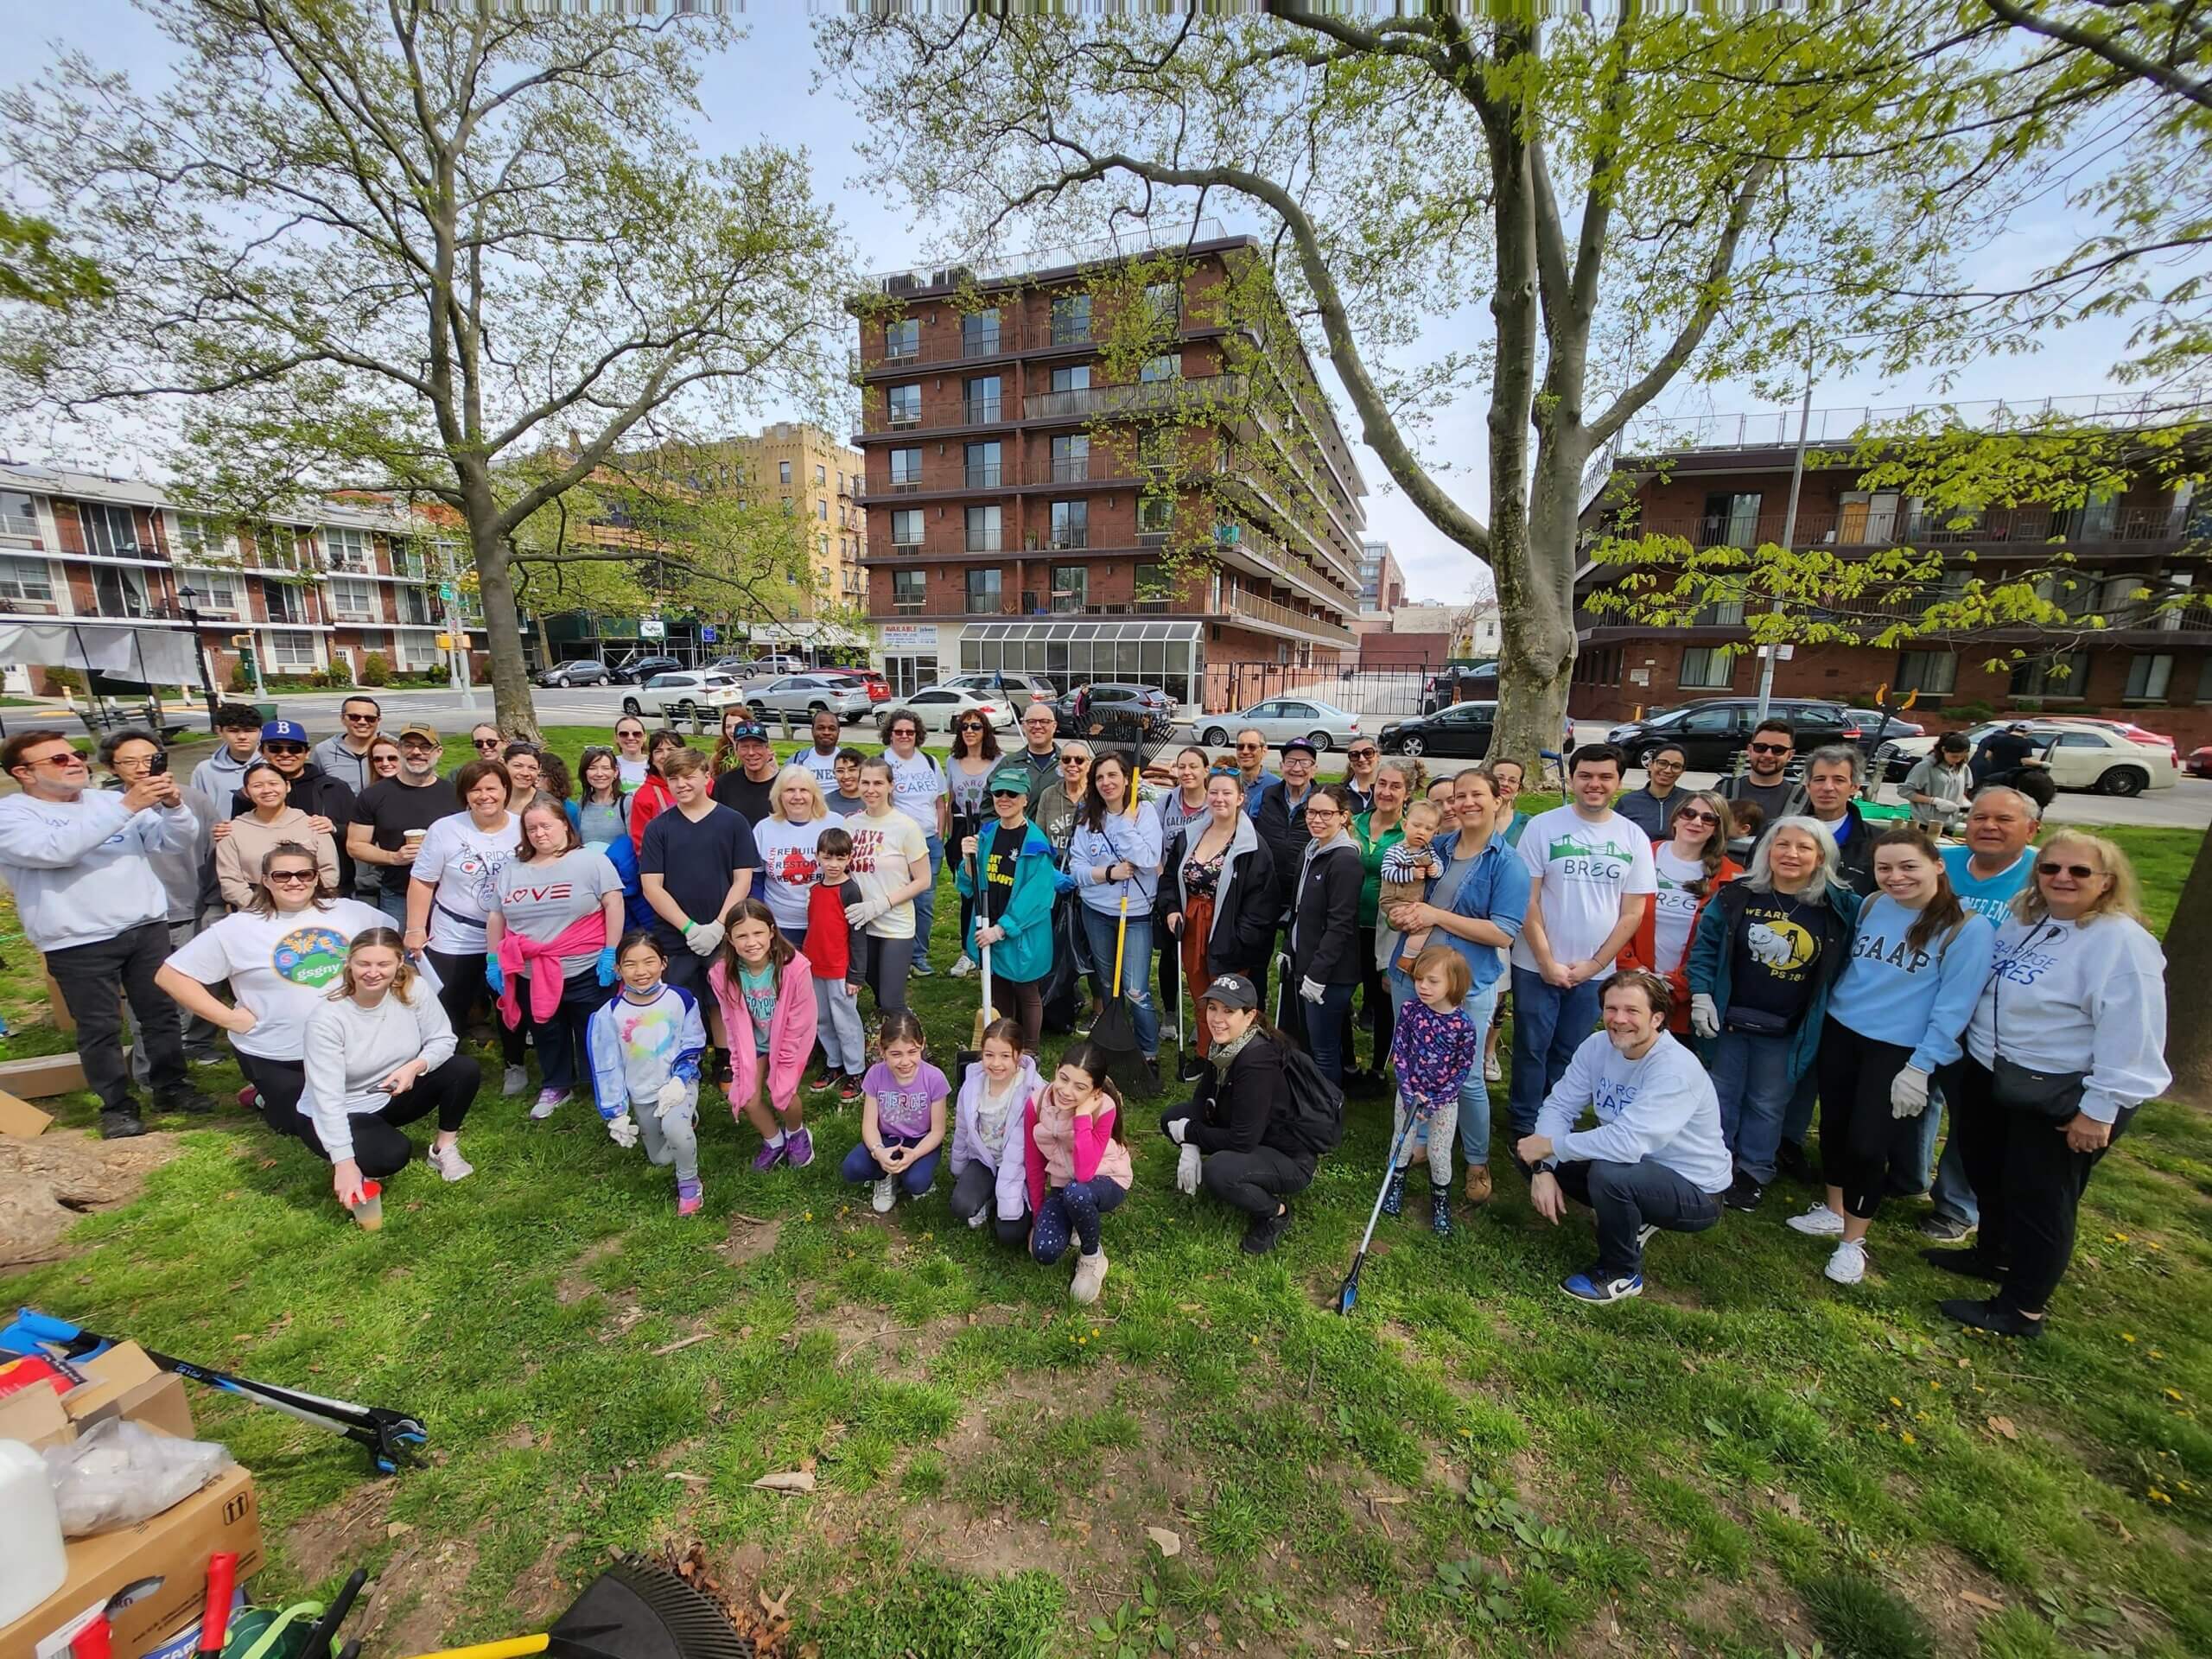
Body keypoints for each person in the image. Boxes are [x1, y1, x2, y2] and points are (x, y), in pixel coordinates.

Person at [1934, 831, 2169, 1338]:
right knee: (1989, 1172)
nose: (2062, 878)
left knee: (2041, 1196)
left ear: (2106, 883)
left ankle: (2022, 1309)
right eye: (2051, 868)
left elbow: (2133, 1034)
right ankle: (1992, 1255)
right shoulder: (2026, 920)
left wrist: (2100, 1108)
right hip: (1993, 1072)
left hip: (2063, 1090)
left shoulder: (2122, 944)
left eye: (2079, 872)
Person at [1789, 828, 1994, 1284]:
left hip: (1898, 1048)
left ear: (1938, 866)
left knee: (1868, 1144)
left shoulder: (1967, 928)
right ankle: (1834, 1208)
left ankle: (1853, 1241)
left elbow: (1955, 1007)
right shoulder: (1874, 905)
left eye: (1908, 867)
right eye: (1885, 868)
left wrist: (1921, 1067)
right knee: (1836, 1129)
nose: (1895, 877)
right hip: (1843, 1032)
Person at [0, 730, 213, 1136]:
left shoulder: (104, 801)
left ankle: (171, 1086)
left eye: (75, 754)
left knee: (161, 1015)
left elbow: (174, 841)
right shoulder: (13, 815)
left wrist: (173, 807)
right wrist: (128, 806)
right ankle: (117, 1105)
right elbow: (57, 851)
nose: (75, 762)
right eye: (58, 759)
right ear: (23, 773)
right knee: (99, 1028)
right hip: (77, 939)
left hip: (144, 926)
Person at [1516, 970, 1732, 1305]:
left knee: (1610, 1175)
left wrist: (1552, 1147)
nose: (1619, 1020)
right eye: (1611, 1009)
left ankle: (1621, 1273)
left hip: (1696, 1189)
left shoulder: (1675, 1068)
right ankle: (1633, 1217)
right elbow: (1559, 1106)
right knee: (1527, 1150)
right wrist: (1543, 1167)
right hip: (1634, 1165)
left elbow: (1627, 1144)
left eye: (1632, 1011)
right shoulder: (1597, 1045)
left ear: (1657, 1018)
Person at [1687, 817, 1861, 1211]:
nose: (1791, 854)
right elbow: (1705, 948)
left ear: (1821, 857)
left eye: (1804, 847)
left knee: (1768, 1101)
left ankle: (1753, 1170)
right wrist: (1701, 995)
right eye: (1782, 844)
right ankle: (1714, 1161)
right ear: (1767, 850)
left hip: (1789, 1026)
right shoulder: (1736, 896)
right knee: (1721, 1093)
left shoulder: (1840, 906)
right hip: (1728, 1017)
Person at [157, 842, 388, 1131]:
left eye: (304, 874)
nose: (295, 882)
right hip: (279, 1052)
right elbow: (171, 975)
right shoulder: (237, 928)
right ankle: (264, 1096)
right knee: (299, 1125)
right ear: (265, 880)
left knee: (372, 1109)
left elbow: (395, 949)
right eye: (283, 875)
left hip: (351, 1045)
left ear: (317, 877)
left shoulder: (353, 913)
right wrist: (229, 1019)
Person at [1381, 768, 1529, 1205]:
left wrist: (1436, 916)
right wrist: (1400, 915)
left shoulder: (1507, 864)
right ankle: (1421, 1140)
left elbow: (1503, 932)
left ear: (1498, 798)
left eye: (1476, 795)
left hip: (1467, 987)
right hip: (1412, 974)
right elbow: (1401, 895)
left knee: (1465, 1080)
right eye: (1458, 796)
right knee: (1412, 1062)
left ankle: (1478, 1162)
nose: (1465, 803)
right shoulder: (1437, 846)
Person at [1912, 784, 2046, 1243]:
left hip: (1992, 1017)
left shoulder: (2043, 873)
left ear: (2032, 828)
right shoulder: (1942, 865)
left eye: (2003, 820)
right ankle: (1908, 1176)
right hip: (1925, 1003)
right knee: (1914, 1094)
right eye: (1979, 817)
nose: (1988, 826)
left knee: (1972, 1113)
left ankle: (1955, 1206)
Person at [1509, 745, 1657, 1139]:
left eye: (1605, 777)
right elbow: (1528, 899)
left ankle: (1556, 1118)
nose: (1595, 784)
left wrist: (1594, 965)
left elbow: (1632, 913)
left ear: (1619, 783)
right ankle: (1524, 1121)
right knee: (1532, 1047)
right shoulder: (1543, 827)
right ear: (1571, 779)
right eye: (1586, 776)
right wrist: (1545, 960)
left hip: (1595, 972)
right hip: (1535, 964)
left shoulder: (1633, 838)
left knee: (1571, 1051)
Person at [303, 926, 481, 1212]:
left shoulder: (414, 989)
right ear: (349, 963)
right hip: (342, 1109)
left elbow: (444, 1040)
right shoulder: (327, 1019)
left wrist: (416, 1066)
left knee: (463, 1069)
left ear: (399, 962)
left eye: (383, 964)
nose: (373, 972)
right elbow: (327, 1099)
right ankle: (358, 1157)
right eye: (364, 963)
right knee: (390, 1155)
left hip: (392, 1090)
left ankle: (443, 1149)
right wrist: (345, 1163)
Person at [486, 792, 623, 1118]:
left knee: (594, 1029)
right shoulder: (512, 870)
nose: (539, 834)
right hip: (531, 971)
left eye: (546, 826)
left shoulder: (590, 861)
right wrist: (493, 960)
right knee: (547, 1030)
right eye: (531, 829)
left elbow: (614, 903)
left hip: (586, 966)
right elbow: (496, 917)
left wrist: (610, 952)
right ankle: (556, 1084)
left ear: (564, 825)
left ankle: (604, 1085)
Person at [97, 729, 222, 1068]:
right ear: (112, 767)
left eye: (149, 759)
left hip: (189, 904)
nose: (142, 767)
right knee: (148, 996)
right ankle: (154, 1064)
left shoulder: (193, 799)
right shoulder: (103, 807)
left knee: (200, 981)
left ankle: (197, 1042)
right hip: (135, 918)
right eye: (130, 761)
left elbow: (215, 850)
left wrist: (214, 901)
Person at [1160, 973, 1311, 1254]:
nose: (1216, 1018)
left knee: (1218, 1171)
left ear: (1250, 1015)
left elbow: (1243, 1140)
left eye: (1228, 1011)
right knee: (1171, 1118)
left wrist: (1191, 1133)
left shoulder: (1257, 1060)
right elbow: (1202, 1095)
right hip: (1250, 1130)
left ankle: (1275, 1212)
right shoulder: (1224, 1041)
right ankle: (1234, 1169)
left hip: (1287, 1156)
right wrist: (1190, 1144)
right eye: (1213, 1007)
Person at [404, 757, 528, 1094]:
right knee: (447, 1002)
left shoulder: (523, 826)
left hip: (507, 934)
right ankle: (441, 1064)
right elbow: (422, 881)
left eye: (492, 788)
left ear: (506, 790)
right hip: (454, 932)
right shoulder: (445, 829)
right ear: (464, 794)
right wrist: (416, 928)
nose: (484, 796)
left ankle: (514, 1064)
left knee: (508, 1001)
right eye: (475, 790)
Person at [639, 747, 760, 1040]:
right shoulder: (659, 828)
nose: (681, 785)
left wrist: (720, 926)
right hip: (676, 933)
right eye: (673, 779)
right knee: (678, 999)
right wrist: (689, 927)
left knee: (723, 999)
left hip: (723, 930)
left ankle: (724, 1057)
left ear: (707, 777)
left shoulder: (733, 822)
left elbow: (742, 879)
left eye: (689, 777)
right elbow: (652, 885)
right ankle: (684, 1057)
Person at [999, 1040, 1132, 1304]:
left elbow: (1084, 1173)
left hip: (1106, 1178)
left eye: (1080, 1087)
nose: (1067, 1091)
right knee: (1044, 1251)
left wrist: (1082, 1116)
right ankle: (1074, 1219)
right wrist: (1038, 1220)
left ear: (1095, 1091)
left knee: (1078, 1192)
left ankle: (1092, 1257)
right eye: (1064, 1079)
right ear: (1056, 1070)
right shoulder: (1036, 1105)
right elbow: (1035, 1166)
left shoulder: (1105, 1108)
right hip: (1064, 1185)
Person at [588, 930, 709, 1216]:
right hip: (642, 1094)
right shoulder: (608, 1014)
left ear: (664, 963)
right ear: (617, 969)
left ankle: (689, 1184)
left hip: (679, 1085)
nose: (641, 971)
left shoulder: (681, 999)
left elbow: (693, 1043)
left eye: (649, 961)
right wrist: (615, 1112)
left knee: (675, 1130)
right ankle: (684, 1124)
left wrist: (680, 1079)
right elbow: (607, 1066)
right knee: (660, 1158)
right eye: (630, 964)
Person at [1158, 768, 1278, 1058]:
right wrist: (1172, 909)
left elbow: (1261, 905)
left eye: (1227, 793)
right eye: (1214, 792)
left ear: (1241, 798)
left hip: (1229, 934)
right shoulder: (1190, 836)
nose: (1219, 799)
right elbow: (1170, 879)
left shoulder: (1253, 848)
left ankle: (1236, 1059)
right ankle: (1205, 1055)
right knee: (1203, 999)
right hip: (1191, 929)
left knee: (1228, 1002)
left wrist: (1238, 941)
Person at [1067, 749, 1165, 1082]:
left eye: (1113, 776)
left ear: (1127, 779)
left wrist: (1124, 824)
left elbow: (1150, 859)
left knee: (1136, 989)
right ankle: (1115, 1047)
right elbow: (1076, 869)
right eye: (1100, 777)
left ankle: (1149, 1054)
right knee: (1109, 986)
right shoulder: (1088, 817)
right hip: (1098, 912)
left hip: (1134, 914)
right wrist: (1108, 873)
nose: (1106, 782)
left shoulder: (1145, 813)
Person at [709, 897, 819, 1171]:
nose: (751, 942)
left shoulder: (795, 968)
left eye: (758, 932)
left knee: (782, 1093)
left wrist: (782, 1062)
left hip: (789, 1040)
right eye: (742, 935)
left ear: (771, 931)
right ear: (730, 940)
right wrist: (738, 1059)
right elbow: (730, 1020)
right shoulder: (723, 974)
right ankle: (774, 1140)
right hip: (753, 1041)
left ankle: (796, 1132)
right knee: (746, 1096)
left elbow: (801, 1020)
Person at [955, 765, 1058, 1052]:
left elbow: (1036, 899)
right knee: (997, 989)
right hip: (989, 925)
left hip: (1020, 934)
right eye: (998, 792)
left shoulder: (1036, 844)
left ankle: (1031, 1049)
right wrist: (967, 859)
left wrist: (1001, 930)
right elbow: (967, 885)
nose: (1004, 798)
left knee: (1026, 991)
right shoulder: (986, 835)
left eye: (1012, 793)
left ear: (1025, 799)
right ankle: (1005, 1046)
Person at [1617, 790, 1740, 1031]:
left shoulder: (1731, 877)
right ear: (1675, 818)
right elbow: (1614, 916)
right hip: (1631, 987)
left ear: (1717, 828)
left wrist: (1677, 982)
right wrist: (1635, 973)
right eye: (1689, 813)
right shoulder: (1641, 855)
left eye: (1708, 818)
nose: (1696, 822)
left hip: (1686, 995)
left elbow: (1718, 944)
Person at [1383, 946, 1482, 1236]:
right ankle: (1395, 1188)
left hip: (1443, 1103)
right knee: (1401, 1143)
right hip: (1409, 1095)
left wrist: (1435, 1102)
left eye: (1433, 981)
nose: (1423, 986)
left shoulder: (1463, 1025)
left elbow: (1461, 1069)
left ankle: (1440, 1203)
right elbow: (1399, 1052)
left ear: (1455, 983)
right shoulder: (1411, 1011)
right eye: (1419, 979)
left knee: (1440, 1154)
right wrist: (1408, 1089)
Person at [1286, 785, 1363, 1084]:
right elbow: (1300, 908)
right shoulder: (1311, 851)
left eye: (1326, 813)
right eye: (1311, 812)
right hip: (1305, 962)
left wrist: (1317, 974)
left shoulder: (1344, 861)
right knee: (1314, 1043)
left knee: (1324, 1049)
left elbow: (1340, 924)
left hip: (1329, 974)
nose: (1316, 819)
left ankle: (1327, 1112)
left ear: (1343, 817)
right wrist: (1290, 948)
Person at [847, 754, 934, 1014]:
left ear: (890, 786)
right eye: (865, 783)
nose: (871, 790)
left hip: (895, 924)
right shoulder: (850, 825)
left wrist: (881, 904)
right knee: (875, 989)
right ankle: (886, 1043)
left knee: (891, 1000)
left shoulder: (906, 827)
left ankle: (915, 1047)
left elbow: (923, 879)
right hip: (861, 923)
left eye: (878, 783)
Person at [1348, 759, 1415, 1082]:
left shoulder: (1411, 833)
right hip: (1347, 924)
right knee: (1342, 993)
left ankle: (1378, 1068)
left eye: (1395, 786)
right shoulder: (1353, 822)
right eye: (1382, 784)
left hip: (1386, 931)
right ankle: (1345, 1061)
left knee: (1383, 998)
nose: (1386, 792)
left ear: (1407, 792)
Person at [844, 1009, 950, 1211]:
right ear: (882, 1051)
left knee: (917, 1183)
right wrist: (878, 1151)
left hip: (921, 1140)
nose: (905, 1062)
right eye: (895, 1054)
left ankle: (908, 1172)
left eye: (912, 1052)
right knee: (852, 1168)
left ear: (923, 1045)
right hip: (887, 1139)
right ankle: (884, 1176)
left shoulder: (935, 1078)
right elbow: (869, 1124)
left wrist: (916, 1154)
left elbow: (937, 1131)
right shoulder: (875, 1075)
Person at [345, 721, 448, 923]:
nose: (416, 752)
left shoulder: (454, 794)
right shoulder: (374, 795)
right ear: (400, 749)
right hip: (398, 894)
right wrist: (394, 857)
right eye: (409, 745)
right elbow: (355, 845)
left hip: (448, 895)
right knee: (398, 952)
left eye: (425, 747)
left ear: (438, 752)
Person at [949, 1016, 1040, 1243]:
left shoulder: (1034, 1091)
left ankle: (1002, 1198)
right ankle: (988, 1197)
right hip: (984, 1160)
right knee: (961, 1206)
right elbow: (962, 1131)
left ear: (1019, 1056)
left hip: (1018, 1167)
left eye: (1005, 1056)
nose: (996, 1063)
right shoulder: (971, 1087)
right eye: (989, 1055)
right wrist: (959, 1170)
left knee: (1011, 1235)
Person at [243, 721, 358, 897]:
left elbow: (360, 833)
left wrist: (335, 828)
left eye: (294, 749)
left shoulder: (333, 787)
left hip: (328, 890)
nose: (285, 754)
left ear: (307, 752)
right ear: (262, 751)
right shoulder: (252, 793)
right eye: (275, 749)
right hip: (269, 893)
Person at [216, 759, 340, 909]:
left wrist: (304, 903)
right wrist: (260, 907)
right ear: (246, 792)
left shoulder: (313, 825)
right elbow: (230, 880)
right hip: (255, 910)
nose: (267, 790)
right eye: (257, 786)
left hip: (309, 907)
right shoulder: (232, 830)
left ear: (287, 786)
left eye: (273, 784)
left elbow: (329, 872)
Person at [881, 709, 949, 975]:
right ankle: (895, 956)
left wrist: (940, 835)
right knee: (894, 899)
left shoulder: (930, 762)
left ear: (917, 734)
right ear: (890, 734)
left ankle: (918, 956)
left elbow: (940, 803)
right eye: (899, 731)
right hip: (894, 845)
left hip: (929, 843)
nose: (905, 736)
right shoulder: (881, 762)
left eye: (910, 731)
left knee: (925, 902)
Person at [805, 825, 868, 1097]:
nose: (833, 864)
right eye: (828, 857)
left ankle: (856, 1070)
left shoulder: (850, 890)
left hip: (840, 970)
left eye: (840, 858)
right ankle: (835, 1063)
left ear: (849, 858)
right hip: (815, 967)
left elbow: (857, 936)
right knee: (822, 1018)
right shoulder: (815, 890)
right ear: (818, 856)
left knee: (845, 1020)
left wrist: (856, 975)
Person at [944, 710, 1001, 978]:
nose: (969, 731)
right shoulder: (953, 762)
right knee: (967, 892)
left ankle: (992, 942)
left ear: (985, 730)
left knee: (991, 888)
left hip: (988, 829)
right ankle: (967, 951)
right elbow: (949, 800)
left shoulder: (998, 761)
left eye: (975, 726)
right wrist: (947, 836)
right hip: (960, 831)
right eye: (964, 726)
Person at [750, 765, 831, 950]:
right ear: (779, 795)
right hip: (780, 925)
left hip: (824, 922)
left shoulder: (835, 823)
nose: (797, 796)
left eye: (804, 790)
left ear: (814, 794)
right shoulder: (764, 828)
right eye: (789, 790)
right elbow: (756, 880)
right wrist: (760, 919)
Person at [1791, 746, 1878, 896]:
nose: (1828, 787)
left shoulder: (1877, 843)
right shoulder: (1779, 835)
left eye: (1839, 780)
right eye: (1820, 779)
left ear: (1854, 787)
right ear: (1807, 786)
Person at [1375, 798, 1445, 980]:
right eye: (1416, 826)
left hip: (1414, 900)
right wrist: (1411, 874)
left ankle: (1408, 956)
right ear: (1405, 825)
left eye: (1428, 829)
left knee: (1422, 926)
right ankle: (1402, 960)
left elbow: (1439, 867)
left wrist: (1435, 870)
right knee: (1417, 926)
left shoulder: (1428, 851)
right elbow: (1387, 872)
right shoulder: (1396, 850)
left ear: (1435, 832)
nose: (1421, 832)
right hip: (1394, 899)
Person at [1717, 718, 1796, 825]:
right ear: (1750, 750)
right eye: (1760, 747)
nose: (1768, 755)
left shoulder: (1803, 799)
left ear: (1790, 755)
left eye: (1778, 750)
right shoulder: (1722, 792)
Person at [191, 702, 266, 814]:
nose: (242, 737)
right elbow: (198, 811)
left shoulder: (272, 764)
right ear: (219, 731)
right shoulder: (205, 770)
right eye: (233, 731)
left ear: (261, 731)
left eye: (249, 730)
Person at [710, 717, 780, 823]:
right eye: (744, 747)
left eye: (757, 746)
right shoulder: (724, 784)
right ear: (736, 750)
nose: (751, 752)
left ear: (768, 749)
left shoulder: (784, 784)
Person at [626, 729, 686, 852]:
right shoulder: (644, 795)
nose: (665, 756)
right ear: (652, 759)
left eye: (671, 750)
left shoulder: (703, 784)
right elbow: (641, 841)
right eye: (658, 751)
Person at [1902, 732, 1974, 831]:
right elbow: (1905, 791)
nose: (1958, 760)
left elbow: (1963, 791)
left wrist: (1964, 802)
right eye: (1954, 756)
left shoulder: (1963, 768)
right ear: (1944, 750)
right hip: (1924, 823)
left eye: (1962, 757)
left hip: (1950, 823)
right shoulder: (1925, 767)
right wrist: (1934, 801)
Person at [312, 694, 383, 794]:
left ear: (378, 720)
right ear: (342, 718)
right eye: (354, 717)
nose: (362, 722)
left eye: (369, 718)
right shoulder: (324, 750)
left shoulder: (394, 747)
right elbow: (316, 786)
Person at [1617, 743, 1688, 841]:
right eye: (1662, 763)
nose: (1668, 770)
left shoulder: (1690, 801)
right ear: (1650, 765)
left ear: (1682, 771)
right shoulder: (1627, 802)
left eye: (1676, 766)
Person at [1033, 741, 1090, 855]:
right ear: (1060, 764)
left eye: (1079, 760)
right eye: (1066, 760)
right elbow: (1039, 836)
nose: (1072, 764)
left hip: (1089, 868)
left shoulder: (1097, 795)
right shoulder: (1048, 795)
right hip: (1054, 867)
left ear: (1089, 765)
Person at [571, 745, 632, 849]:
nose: (599, 774)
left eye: (606, 768)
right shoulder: (582, 803)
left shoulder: (627, 803)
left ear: (615, 772)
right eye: (592, 768)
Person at [1969, 721, 2045, 791]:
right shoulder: (2025, 742)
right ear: (2029, 732)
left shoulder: (1998, 739)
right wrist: (2042, 763)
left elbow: (1987, 756)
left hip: (1994, 772)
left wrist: (1995, 763)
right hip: (2012, 774)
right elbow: (2025, 760)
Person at [1014, 700, 1062, 805]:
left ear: (1054, 726)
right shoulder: (1009, 764)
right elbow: (990, 802)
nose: (1038, 726)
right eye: (1031, 721)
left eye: (1044, 721)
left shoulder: (1070, 763)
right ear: (1023, 726)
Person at [795, 707, 843, 796]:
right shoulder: (798, 760)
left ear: (838, 732)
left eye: (832, 729)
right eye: (821, 728)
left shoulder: (850, 759)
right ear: (812, 731)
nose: (826, 732)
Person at [1231, 729, 1279, 817]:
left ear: (1264, 751)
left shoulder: (1276, 786)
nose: (1245, 751)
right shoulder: (1228, 781)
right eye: (1240, 747)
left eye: (1252, 747)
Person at [1488, 756, 1530, 849]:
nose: (1505, 784)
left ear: (1519, 789)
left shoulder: (1527, 825)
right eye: (1500, 778)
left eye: (1512, 780)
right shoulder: (1472, 819)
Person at [824, 747, 868, 818]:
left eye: (852, 770)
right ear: (834, 773)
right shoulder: (824, 803)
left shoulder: (874, 800)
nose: (846, 776)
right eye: (840, 771)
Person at [501, 742, 543, 813]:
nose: (525, 773)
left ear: (539, 769)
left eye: (532, 768)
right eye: (518, 766)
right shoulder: (491, 797)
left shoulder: (546, 804)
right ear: (504, 765)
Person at [612, 716, 653, 790]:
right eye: (624, 734)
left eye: (637, 734)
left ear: (645, 737)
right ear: (616, 738)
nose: (630, 738)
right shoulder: (610, 764)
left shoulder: (656, 764)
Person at [1342, 738, 1381, 815]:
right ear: (1350, 761)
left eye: (1368, 753)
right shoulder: (1339, 793)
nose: (1362, 759)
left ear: (1378, 756)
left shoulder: (1389, 792)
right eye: (1354, 755)